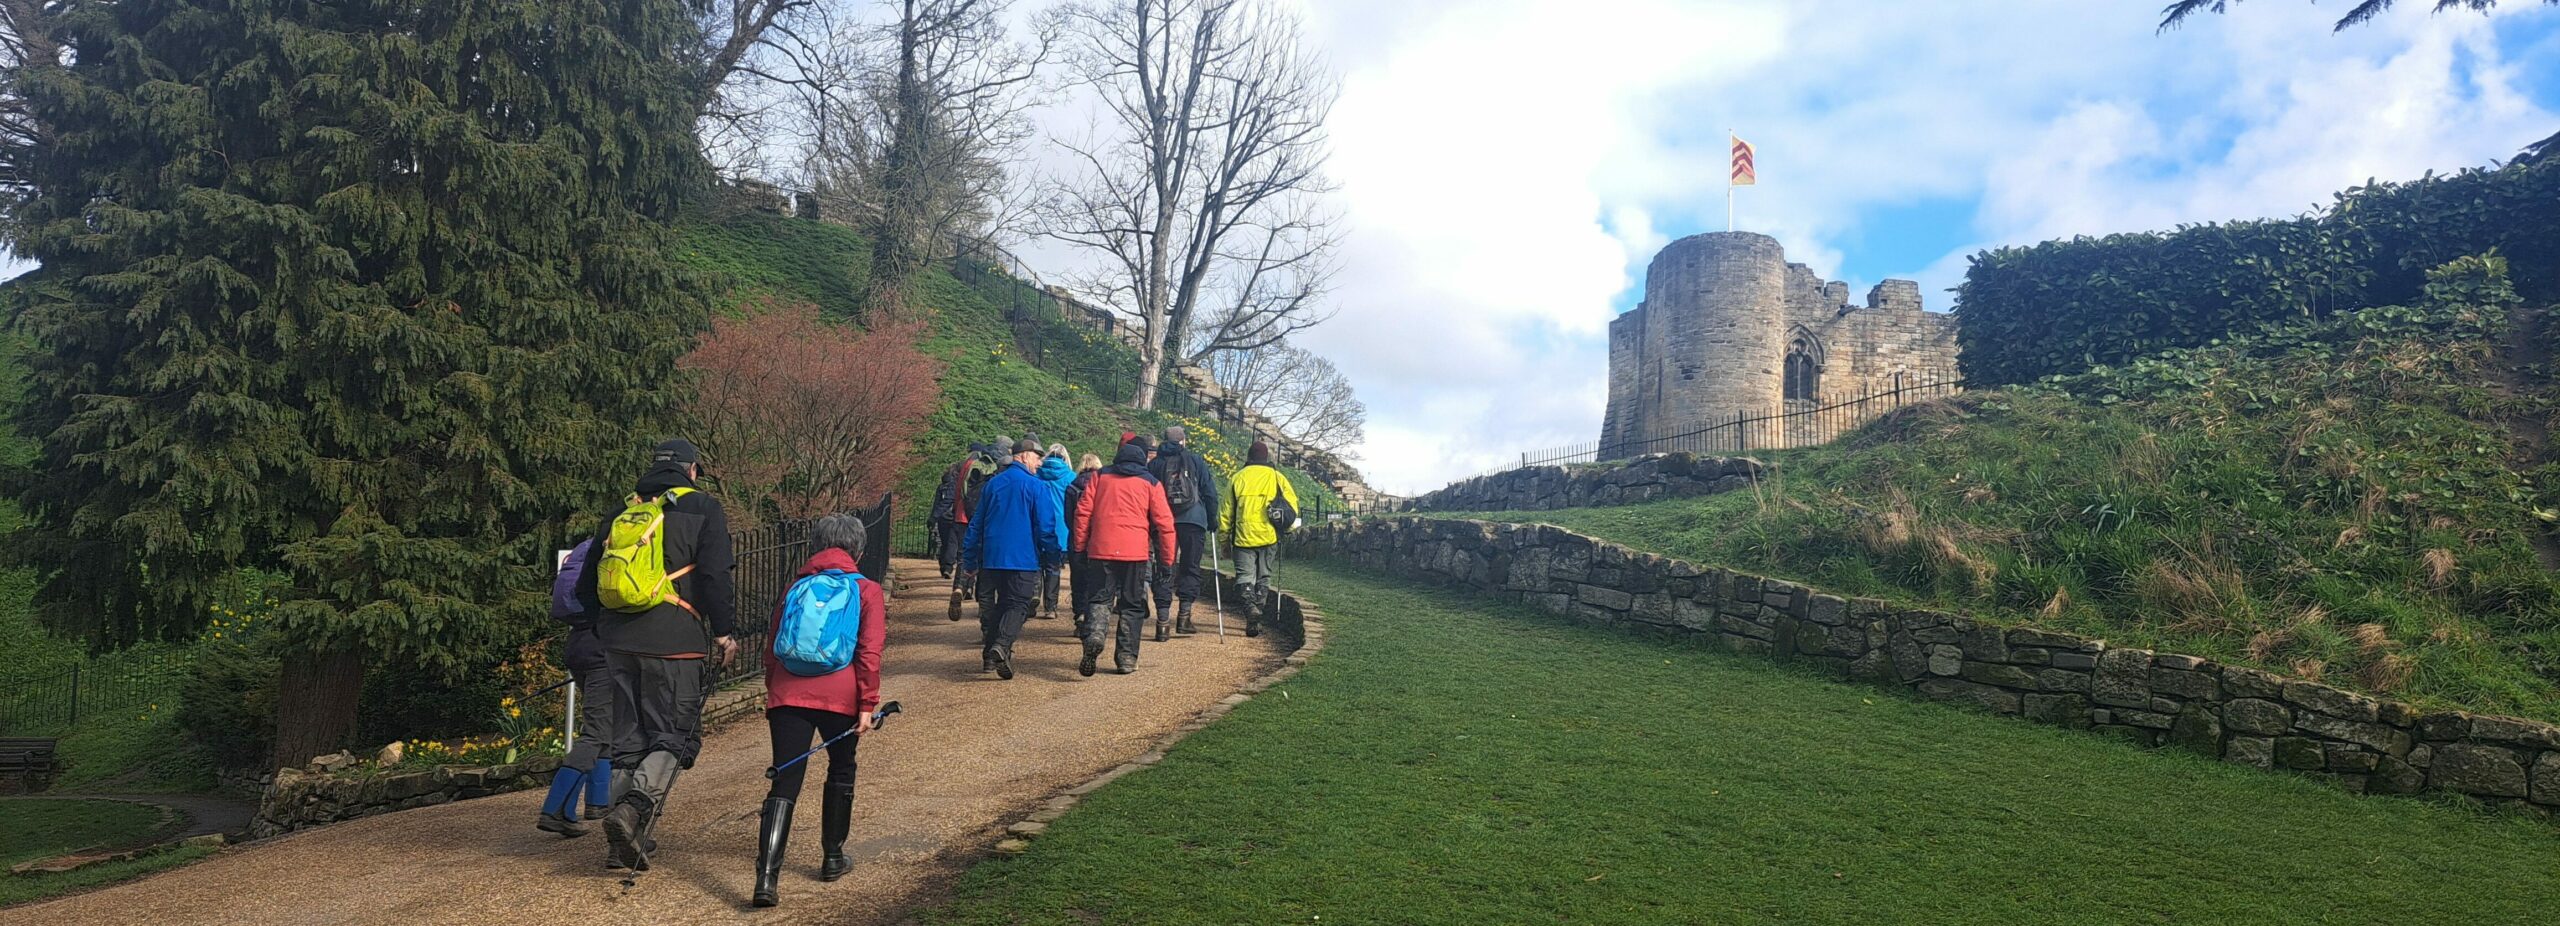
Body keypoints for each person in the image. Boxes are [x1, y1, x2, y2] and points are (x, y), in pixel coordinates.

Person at [575, 438, 736, 872]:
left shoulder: (621, 511)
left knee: (629, 740)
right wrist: (724, 633)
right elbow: (716, 575)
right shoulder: (703, 508)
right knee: (676, 734)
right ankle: (632, 810)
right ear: (693, 471)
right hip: (675, 640)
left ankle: (623, 841)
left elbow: (585, 584)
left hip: (616, 641)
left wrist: (600, 626)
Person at [753, 514, 887, 908]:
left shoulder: (795, 586)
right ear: (858, 549)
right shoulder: (867, 590)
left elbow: (772, 642)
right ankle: (831, 857)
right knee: (841, 768)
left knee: (785, 780)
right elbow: (869, 652)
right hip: (841, 695)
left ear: (816, 545)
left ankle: (765, 879)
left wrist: (774, 689)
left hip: (788, 694)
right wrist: (867, 705)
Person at [959, 438, 1065, 679]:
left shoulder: (994, 484)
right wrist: (1052, 558)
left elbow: (976, 524)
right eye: (1037, 458)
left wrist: (970, 559)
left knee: (1002, 604)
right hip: (1022, 558)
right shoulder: (1036, 487)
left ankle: (989, 656)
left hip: (992, 556)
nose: (1039, 464)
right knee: (1018, 604)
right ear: (1024, 456)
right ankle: (1002, 645)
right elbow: (1045, 528)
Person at [1073, 439, 1177, 675]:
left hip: (1101, 549)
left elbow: (1083, 514)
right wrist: (1167, 561)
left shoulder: (1099, 477)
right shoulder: (1151, 483)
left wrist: (1080, 547)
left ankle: (1096, 634)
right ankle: (1127, 657)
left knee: (1100, 599)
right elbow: (1165, 525)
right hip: (1135, 552)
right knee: (1132, 605)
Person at [537, 538, 614, 837]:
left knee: (606, 726)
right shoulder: (619, 551)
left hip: (579, 647)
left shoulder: (588, 549)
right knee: (596, 732)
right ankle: (555, 809)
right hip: (602, 651)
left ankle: (598, 802)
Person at [1220, 440, 1301, 639]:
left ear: (1249, 457)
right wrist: (1288, 528)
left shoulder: (1237, 478)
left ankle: (1250, 611)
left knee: (1245, 577)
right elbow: (1292, 506)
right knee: (1264, 577)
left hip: (1243, 537)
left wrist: (1224, 540)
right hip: (1269, 536)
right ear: (1266, 458)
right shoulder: (1277, 477)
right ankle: (1259, 611)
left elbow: (1226, 512)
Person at [1147, 426, 1219, 641]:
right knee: (1190, 567)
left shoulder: (1155, 464)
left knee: (1164, 567)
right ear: (1183, 441)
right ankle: (1184, 617)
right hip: (1193, 519)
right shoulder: (1195, 460)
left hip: (1164, 521)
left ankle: (1162, 623)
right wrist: (1211, 519)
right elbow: (1209, 492)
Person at [1034, 444, 1078, 620]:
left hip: (1039, 523)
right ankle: (1050, 607)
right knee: (1053, 567)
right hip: (1061, 527)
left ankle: (1034, 594)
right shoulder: (1070, 476)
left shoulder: (1037, 474)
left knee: (1036, 563)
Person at [1065, 452, 1105, 639]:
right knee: (1095, 580)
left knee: (1078, 580)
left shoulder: (1072, 487)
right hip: (1097, 539)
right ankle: (1090, 616)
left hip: (1076, 539)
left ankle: (1079, 613)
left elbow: (1068, 518)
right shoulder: (1102, 485)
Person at [931, 446, 984, 579]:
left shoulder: (947, 483)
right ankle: (964, 581)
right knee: (960, 547)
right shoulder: (974, 473)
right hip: (963, 515)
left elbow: (942, 501)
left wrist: (934, 516)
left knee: (949, 544)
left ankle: (949, 569)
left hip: (954, 515)